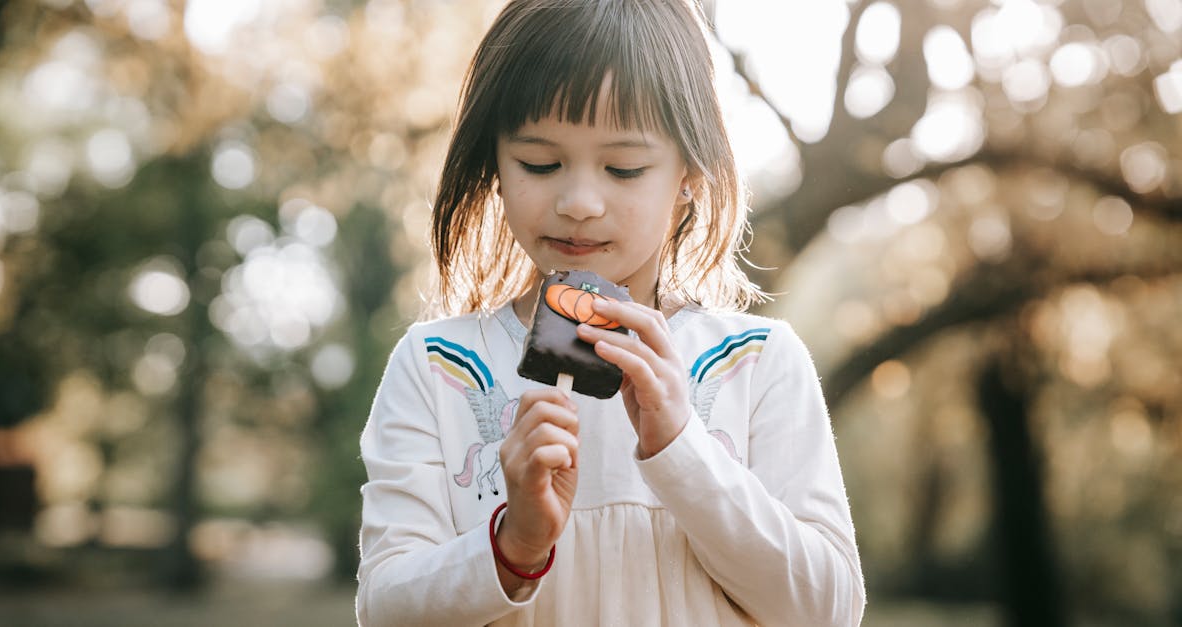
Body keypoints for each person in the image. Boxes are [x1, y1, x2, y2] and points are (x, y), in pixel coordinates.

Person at [356, 1, 866, 625]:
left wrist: (683, 449)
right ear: (493, 162)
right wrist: (513, 548)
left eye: (623, 167)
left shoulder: (757, 364)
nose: (578, 202)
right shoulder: (440, 369)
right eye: (539, 163)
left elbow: (827, 608)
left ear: (690, 174)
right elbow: (385, 608)